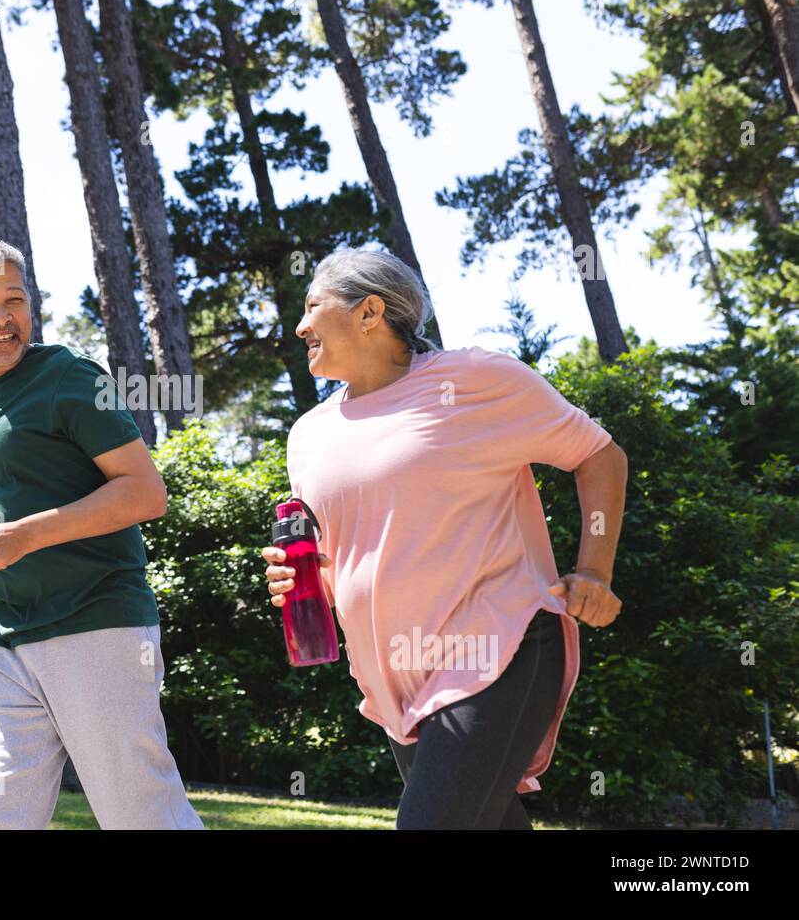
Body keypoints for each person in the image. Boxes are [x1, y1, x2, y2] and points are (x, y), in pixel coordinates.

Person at [262, 247, 628, 829]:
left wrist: (595, 570)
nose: (300, 326)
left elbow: (599, 455)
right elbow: (345, 559)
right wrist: (301, 580)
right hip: (393, 674)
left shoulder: (476, 380)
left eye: (312, 307)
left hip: (497, 645)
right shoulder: (309, 434)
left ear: (370, 312)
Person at [0, 240, 203, 830]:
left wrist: (22, 536)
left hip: (97, 620)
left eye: (14, 300)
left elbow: (145, 492)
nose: (1, 317)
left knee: (138, 814)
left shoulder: (70, 376)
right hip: (6, 636)